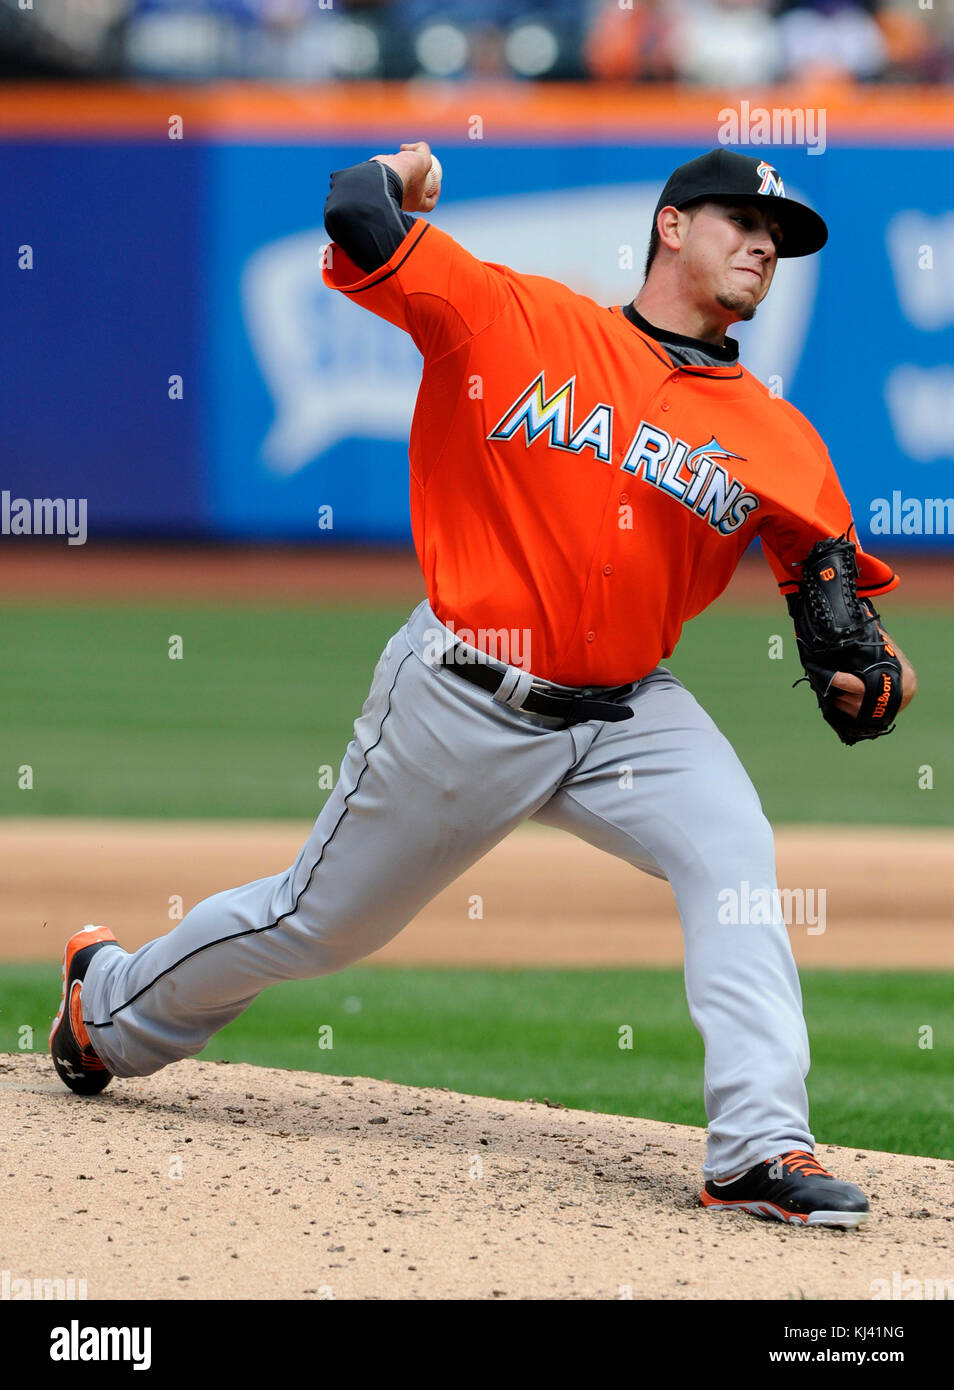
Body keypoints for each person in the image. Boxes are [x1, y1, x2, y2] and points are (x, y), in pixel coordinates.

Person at [51, 145, 916, 1228]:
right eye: (743, 220)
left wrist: (870, 676)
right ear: (671, 226)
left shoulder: (781, 439)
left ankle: (757, 1146)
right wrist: (393, 178)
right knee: (316, 923)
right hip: (464, 693)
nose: (763, 246)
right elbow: (354, 215)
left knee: (736, 854)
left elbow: (839, 617)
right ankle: (109, 1006)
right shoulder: (512, 318)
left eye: (778, 238)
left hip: (630, 713)